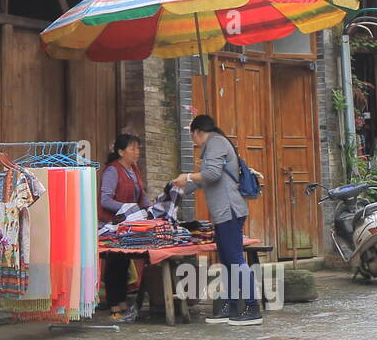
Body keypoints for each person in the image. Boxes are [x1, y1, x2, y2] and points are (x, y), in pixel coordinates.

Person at [172, 115, 259, 326]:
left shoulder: (216, 142)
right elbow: (207, 179)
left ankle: (252, 307)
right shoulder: (213, 144)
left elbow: (211, 174)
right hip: (223, 213)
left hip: (230, 211)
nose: (193, 140)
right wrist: (178, 188)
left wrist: (188, 177)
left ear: (198, 131)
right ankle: (229, 306)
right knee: (227, 261)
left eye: (193, 135)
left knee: (236, 259)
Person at [98, 134, 153, 315]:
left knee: (124, 262)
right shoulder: (113, 171)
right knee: (114, 262)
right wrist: (127, 208)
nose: (137, 152)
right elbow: (105, 199)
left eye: (138, 148)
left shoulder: (134, 169)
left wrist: (151, 209)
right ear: (121, 152)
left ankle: (122, 300)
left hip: (128, 225)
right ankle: (114, 302)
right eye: (133, 148)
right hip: (111, 224)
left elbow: (141, 195)